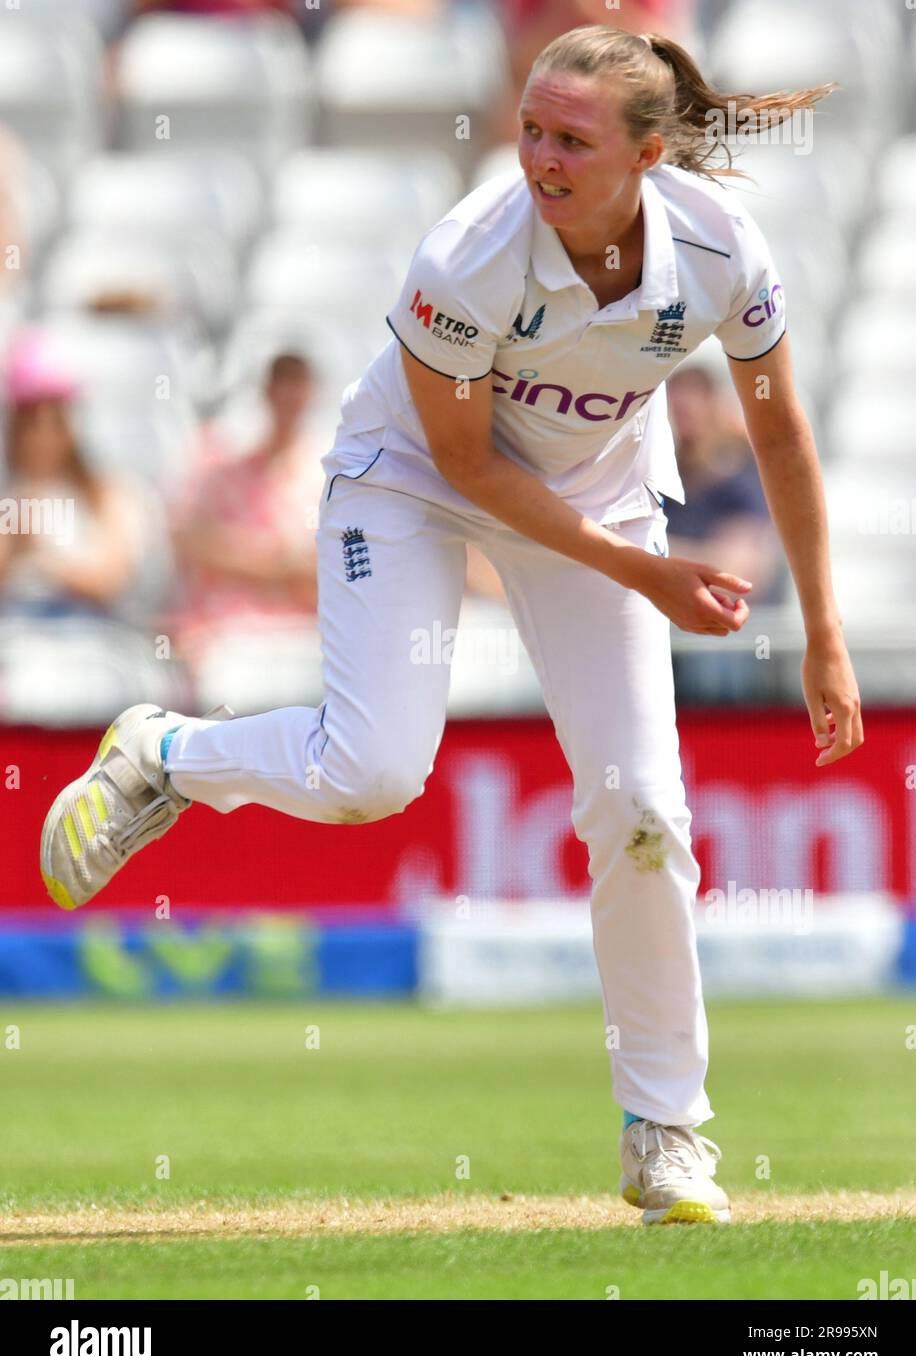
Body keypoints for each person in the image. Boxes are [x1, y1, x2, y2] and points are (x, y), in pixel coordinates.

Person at [40, 26, 863, 1225]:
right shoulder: (468, 253)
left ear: (647, 153)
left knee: (641, 812)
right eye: (529, 127)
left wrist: (826, 636)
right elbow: (472, 467)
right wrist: (642, 570)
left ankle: (666, 1134)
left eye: (570, 139)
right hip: (414, 480)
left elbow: (782, 435)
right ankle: (164, 756)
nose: (536, 157)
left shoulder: (719, 245)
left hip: (597, 491)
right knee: (369, 773)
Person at [165, 352, 322, 663]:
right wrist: (276, 563)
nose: (289, 396)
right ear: (267, 390)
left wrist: (249, 557)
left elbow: (325, 570)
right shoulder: (218, 458)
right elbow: (189, 540)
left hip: (299, 632)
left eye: (297, 385)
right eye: (283, 383)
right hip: (221, 628)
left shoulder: (327, 472)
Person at [0, 327, 146, 619]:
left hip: (90, 642)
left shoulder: (106, 493)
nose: (42, 437)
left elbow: (110, 581)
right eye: (30, 423)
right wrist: (15, 548)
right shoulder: (9, 496)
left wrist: (44, 559)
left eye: (54, 422)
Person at [664, 363, 783, 604]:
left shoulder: (744, 479)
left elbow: (734, 575)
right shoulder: (662, 476)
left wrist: (648, 555)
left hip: (733, 628)